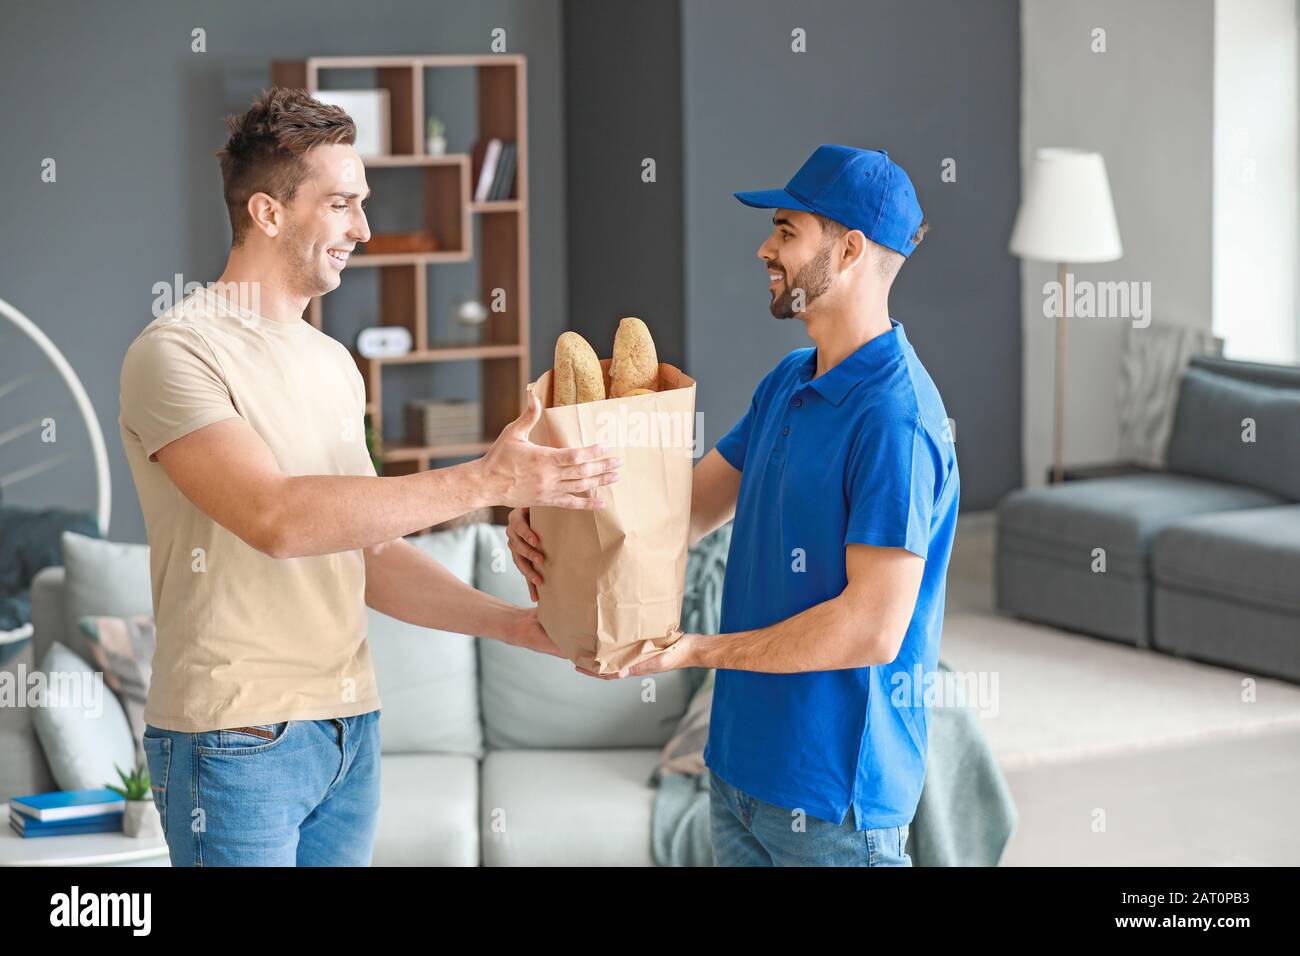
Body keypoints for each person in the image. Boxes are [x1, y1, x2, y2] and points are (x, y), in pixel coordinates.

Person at [120, 88, 620, 866]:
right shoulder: (177, 351)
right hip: (235, 736)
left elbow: (369, 553)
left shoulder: (333, 364)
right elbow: (277, 519)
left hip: (350, 731)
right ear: (269, 213)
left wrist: (521, 627)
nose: (364, 228)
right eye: (342, 205)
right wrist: (488, 479)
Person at [508, 145, 959, 866]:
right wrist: (545, 520)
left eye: (785, 230)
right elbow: (677, 514)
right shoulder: (789, 379)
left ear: (849, 249)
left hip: (833, 799)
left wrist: (695, 652)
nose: (764, 249)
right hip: (738, 772)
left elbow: (871, 628)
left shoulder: (895, 421)